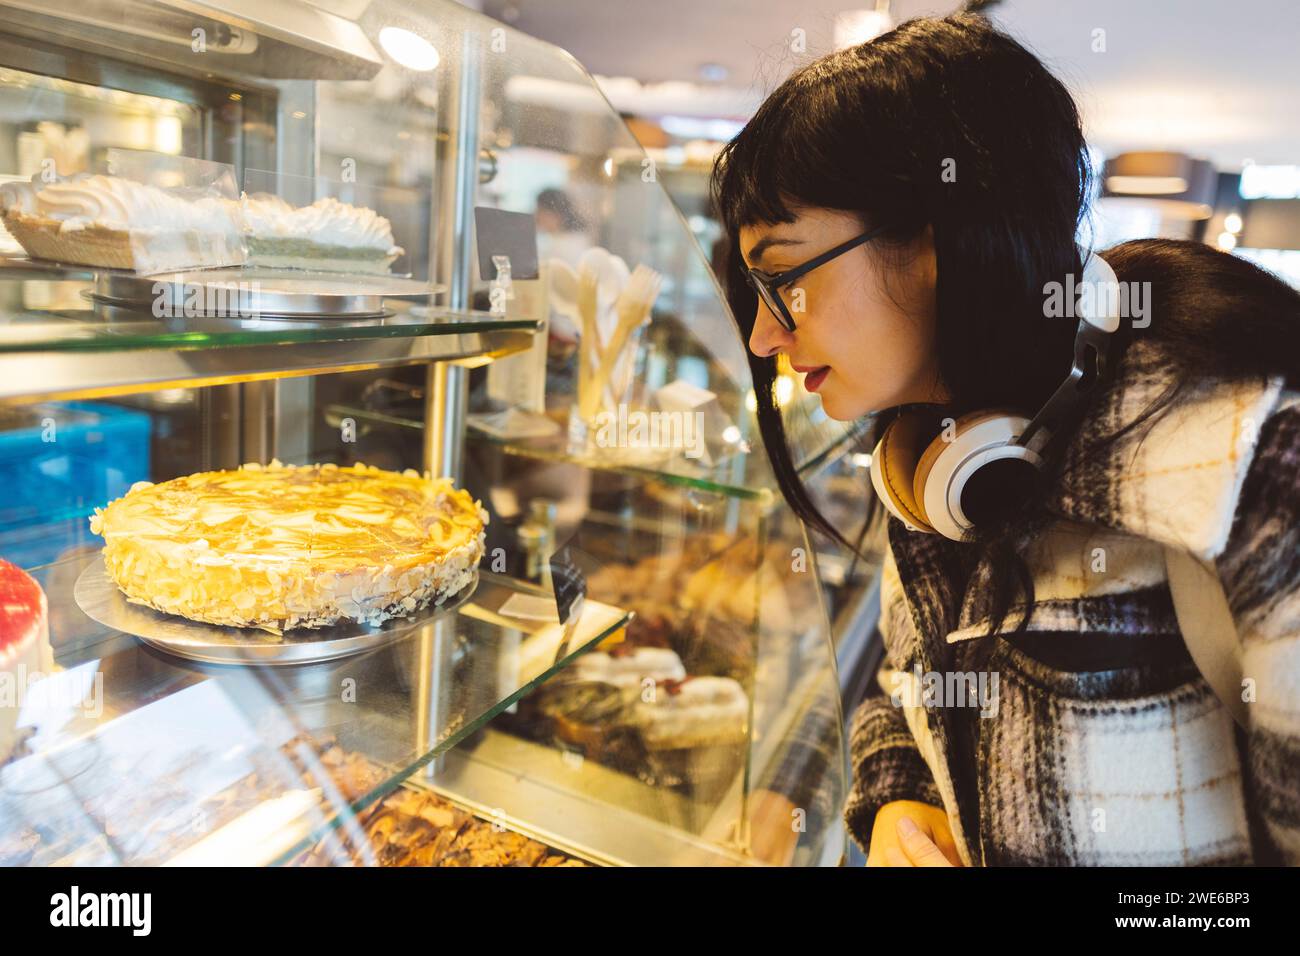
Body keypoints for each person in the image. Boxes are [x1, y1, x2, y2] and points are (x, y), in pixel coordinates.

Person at [710, 13, 1300, 866]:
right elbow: (902, 687)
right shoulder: (940, 459)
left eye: (784, 276)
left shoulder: (1251, 467)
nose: (764, 338)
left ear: (940, 240)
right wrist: (896, 802)